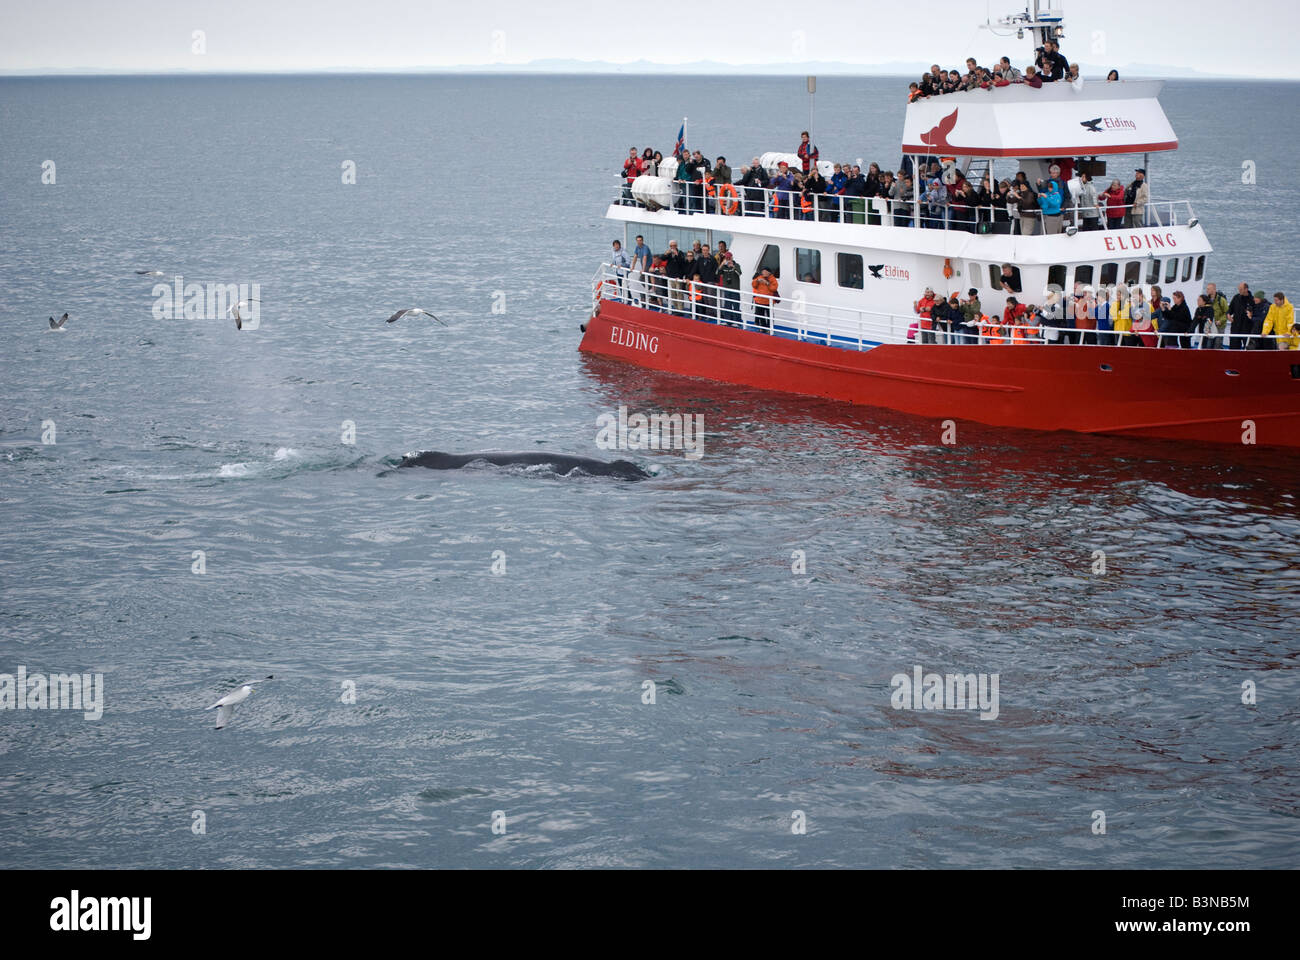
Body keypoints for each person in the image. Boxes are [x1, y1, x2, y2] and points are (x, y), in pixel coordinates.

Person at [1227, 281, 1254, 349]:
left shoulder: (1252, 300)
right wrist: (1228, 315)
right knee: (1233, 348)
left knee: (1247, 347)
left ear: (1246, 289)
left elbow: (1255, 314)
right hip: (1235, 327)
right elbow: (1230, 309)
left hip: (1247, 328)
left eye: (1241, 289)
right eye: (1239, 289)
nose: (1239, 291)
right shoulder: (1236, 297)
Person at [718, 251, 742, 325]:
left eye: (729, 258)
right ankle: (727, 320)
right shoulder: (724, 267)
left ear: (732, 257)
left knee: (736, 305)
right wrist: (722, 264)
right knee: (727, 305)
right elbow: (717, 273)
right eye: (726, 258)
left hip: (735, 289)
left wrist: (733, 267)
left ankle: (737, 322)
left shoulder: (736, 265)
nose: (728, 259)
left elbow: (739, 273)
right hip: (727, 289)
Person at [663, 239, 687, 314]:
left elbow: (682, 262)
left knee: (679, 293)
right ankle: (676, 308)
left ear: (676, 246)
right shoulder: (669, 254)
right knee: (673, 293)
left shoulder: (680, 253)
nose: (672, 247)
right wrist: (665, 254)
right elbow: (662, 259)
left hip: (678, 277)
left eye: (674, 245)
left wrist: (676, 255)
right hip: (671, 276)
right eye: (671, 246)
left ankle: (680, 310)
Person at [1205, 283, 1229, 348]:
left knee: (1217, 344)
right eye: (1207, 289)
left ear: (1214, 290)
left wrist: (1220, 321)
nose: (1207, 290)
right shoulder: (1206, 300)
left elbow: (1227, 313)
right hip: (1210, 326)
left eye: (1208, 289)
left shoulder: (1222, 300)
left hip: (1220, 326)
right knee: (1208, 345)